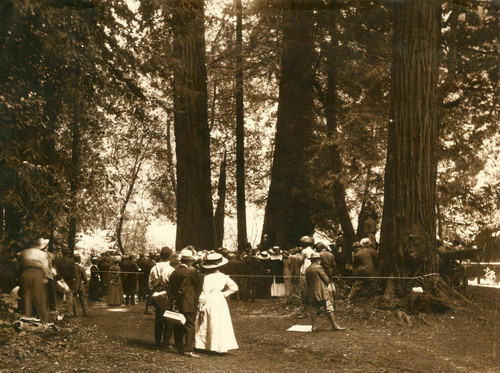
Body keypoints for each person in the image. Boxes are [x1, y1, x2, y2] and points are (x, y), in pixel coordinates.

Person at [195, 253, 238, 354]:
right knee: (220, 320)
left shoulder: (207, 277)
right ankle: (219, 345)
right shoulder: (224, 276)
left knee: (209, 320)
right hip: (219, 299)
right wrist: (224, 294)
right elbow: (235, 287)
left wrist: (201, 304)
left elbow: (205, 292)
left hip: (210, 299)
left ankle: (207, 345)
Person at [168, 249, 201, 357]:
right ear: (189, 261)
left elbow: (171, 288)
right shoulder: (189, 272)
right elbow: (189, 288)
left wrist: (174, 300)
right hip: (188, 302)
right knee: (190, 325)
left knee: (178, 323)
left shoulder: (174, 271)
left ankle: (179, 346)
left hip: (177, 302)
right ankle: (188, 349)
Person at [305, 252, 345, 332]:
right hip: (321, 291)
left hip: (311, 292)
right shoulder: (319, 268)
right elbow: (326, 280)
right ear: (317, 260)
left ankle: (314, 326)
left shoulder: (308, 269)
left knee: (313, 308)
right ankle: (334, 325)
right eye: (319, 259)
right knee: (329, 307)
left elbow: (308, 282)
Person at [148, 246, 175, 348]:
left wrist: (154, 291)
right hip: (166, 295)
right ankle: (166, 342)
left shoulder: (154, 268)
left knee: (158, 318)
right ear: (170, 256)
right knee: (168, 318)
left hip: (155, 294)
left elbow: (150, 283)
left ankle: (157, 341)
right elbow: (173, 285)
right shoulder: (171, 269)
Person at [20, 238, 51, 322]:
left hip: (26, 274)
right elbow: (46, 267)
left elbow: (21, 265)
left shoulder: (25, 252)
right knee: (40, 296)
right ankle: (44, 319)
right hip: (37, 274)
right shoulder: (43, 254)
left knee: (27, 295)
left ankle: (28, 316)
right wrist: (46, 277)